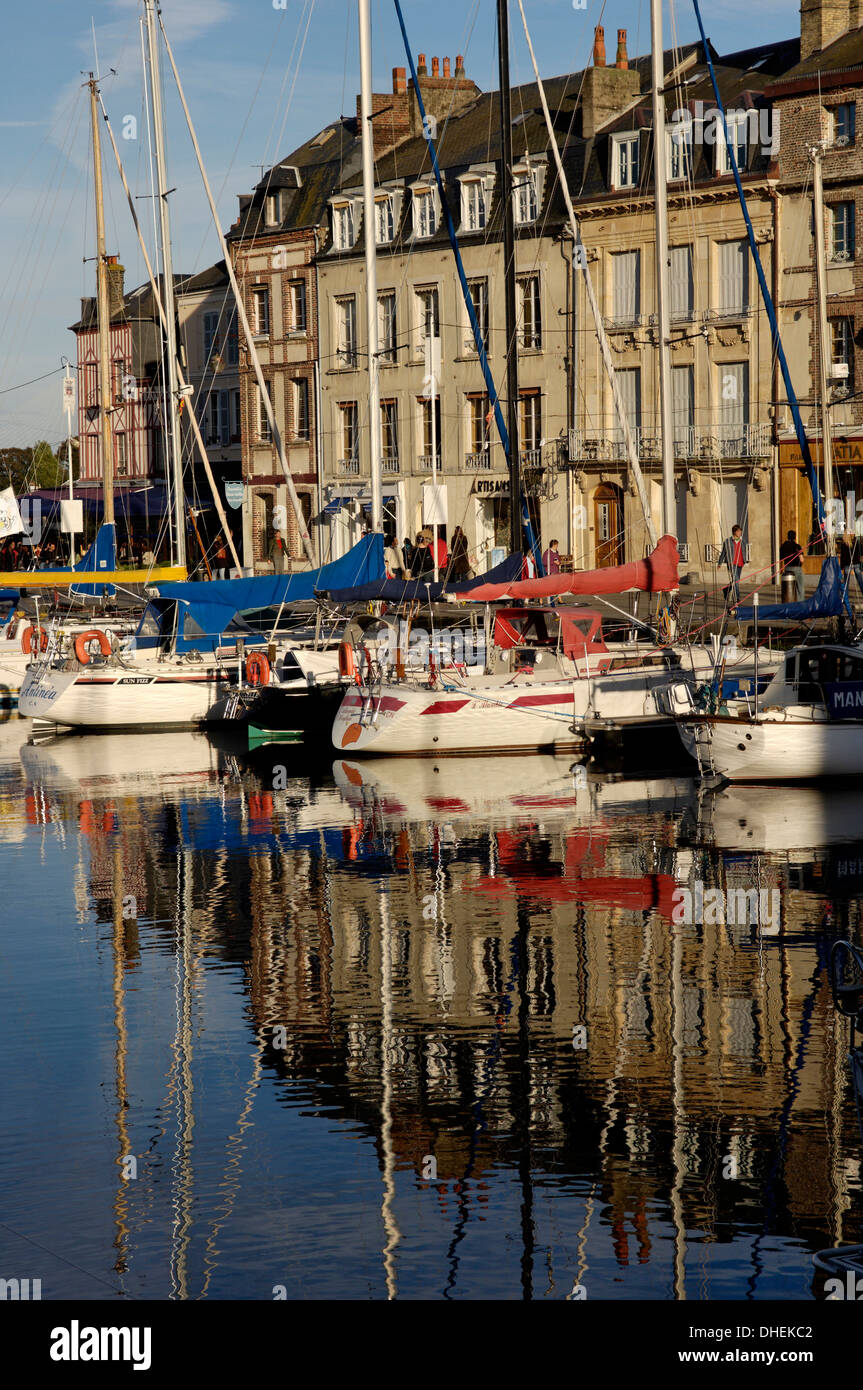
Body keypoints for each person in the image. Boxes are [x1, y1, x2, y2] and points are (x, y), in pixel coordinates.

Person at [720, 524, 745, 608]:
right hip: (732, 564)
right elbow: (723, 552)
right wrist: (720, 563)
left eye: (741, 531)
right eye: (739, 531)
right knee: (736, 581)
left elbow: (744, 551)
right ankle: (737, 599)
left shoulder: (743, 541)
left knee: (735, 581)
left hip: (740, 563)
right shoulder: (727, 541)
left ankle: (726, 589)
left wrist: (745, 559)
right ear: (735, 532)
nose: (740, 532)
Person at [779, 528, 805, 602]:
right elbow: (801, 559)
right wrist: (800, 565)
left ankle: (789, 602)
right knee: (800, 587)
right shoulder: (797, 546)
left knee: (789, 587)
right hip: (796, 568)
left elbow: (781, 558)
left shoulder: (783, 546)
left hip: (787, 569)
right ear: (795, 537)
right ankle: (800, 603)